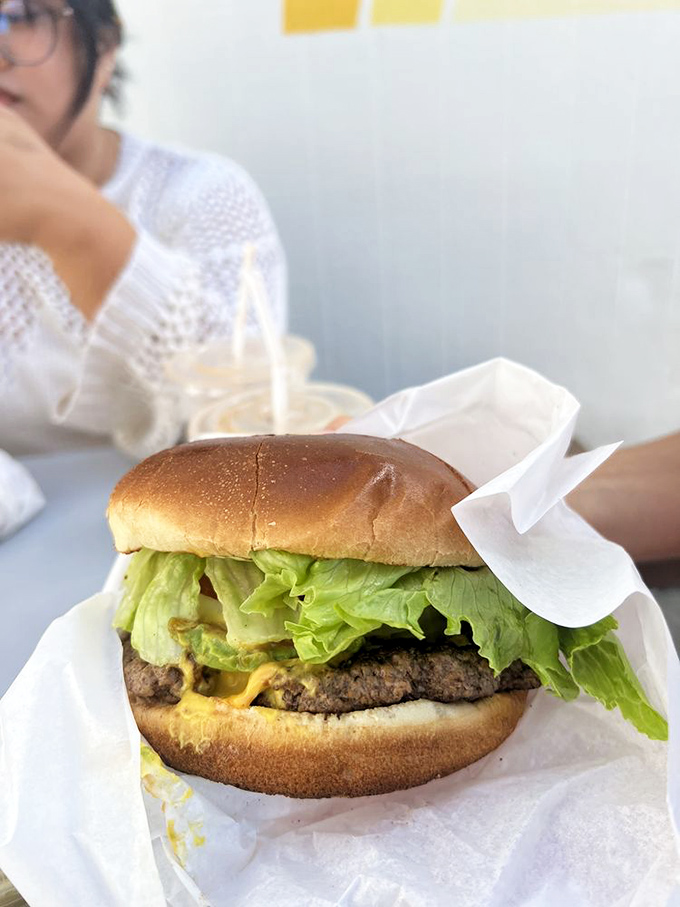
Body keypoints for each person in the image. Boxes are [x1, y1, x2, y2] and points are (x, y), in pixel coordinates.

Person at [0, 0, 287, 458]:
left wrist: (70, 224)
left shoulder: (202, 194)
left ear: (104, 44)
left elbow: (247, 424)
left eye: (22, 15)